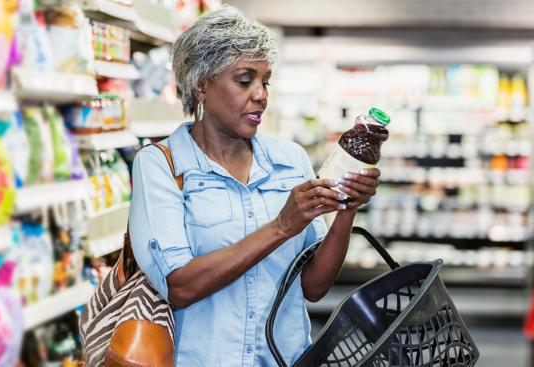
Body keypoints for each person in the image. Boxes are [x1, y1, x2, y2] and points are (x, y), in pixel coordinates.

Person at [127, 5, 385, 366]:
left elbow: (313, 287)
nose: (261, 94)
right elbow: (180, 287)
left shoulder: (289, 160)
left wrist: (346, 209)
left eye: (265, 81)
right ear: (201, 84)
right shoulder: (161, 165)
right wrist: (281, 226)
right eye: (245, 80)